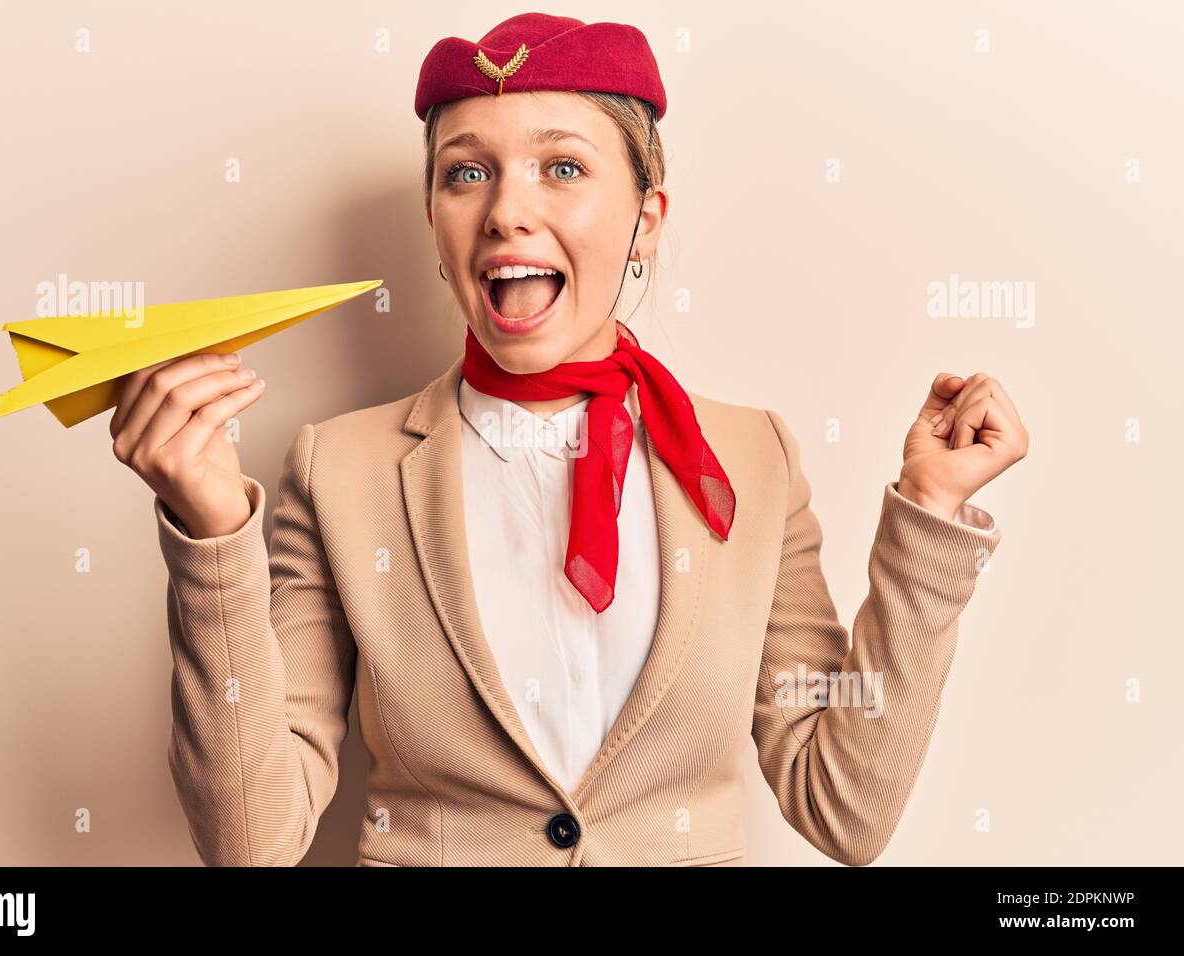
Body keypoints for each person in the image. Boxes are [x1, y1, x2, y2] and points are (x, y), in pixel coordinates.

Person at [109, 12, 1028, 867]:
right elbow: (252, 839)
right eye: (466, 172)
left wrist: (932, 520)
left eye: (562, 167)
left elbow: (846, 807)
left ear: (646, 220)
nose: (507, 210)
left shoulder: (754, 458)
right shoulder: (338, 470)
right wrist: (211, 538)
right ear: (435, 224)